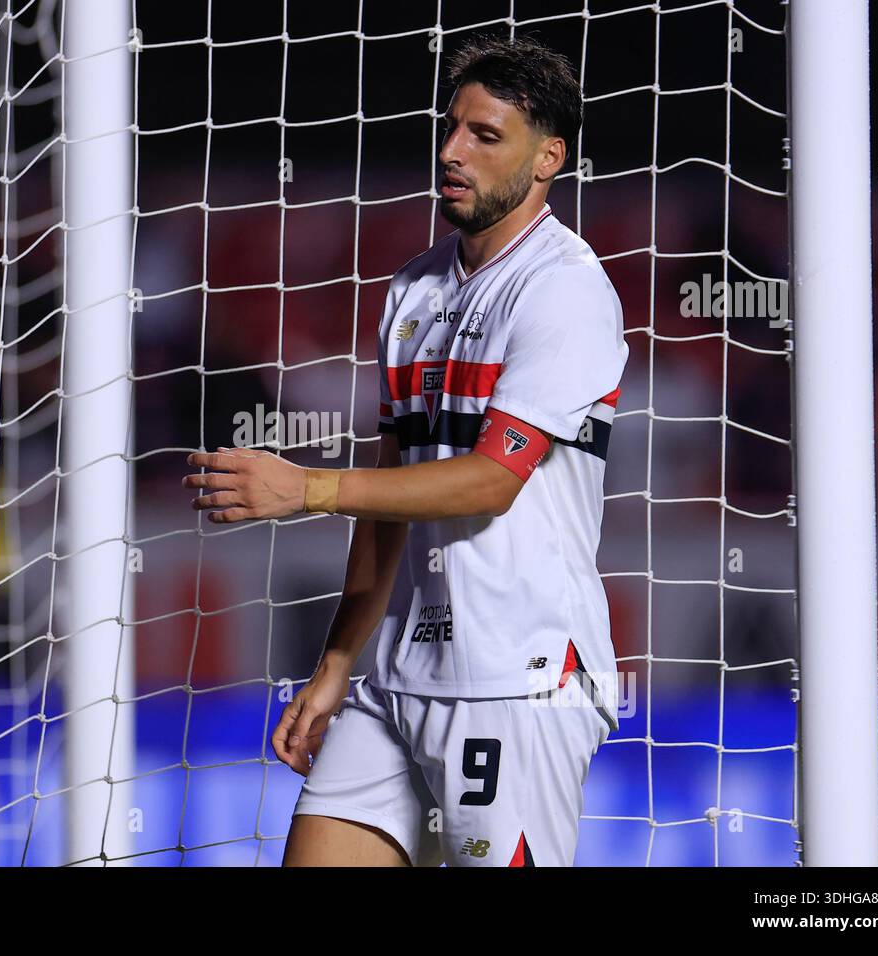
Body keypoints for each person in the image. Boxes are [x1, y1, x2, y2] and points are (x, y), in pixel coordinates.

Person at [181, 33, 628, 867]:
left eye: (485, 136)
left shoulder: (564, 290)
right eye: (452, 127)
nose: (452, 152)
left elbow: (492, 480)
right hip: (396, 676)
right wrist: (335, 664)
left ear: (547, 160)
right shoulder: (413, 290)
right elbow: (394, 490)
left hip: (515, 679)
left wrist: (305, 489)